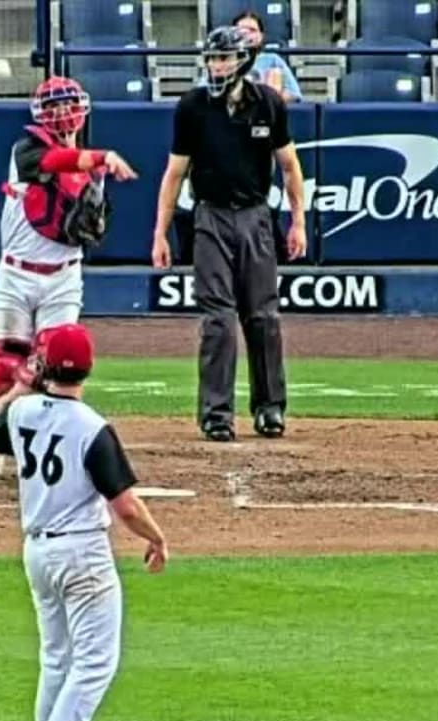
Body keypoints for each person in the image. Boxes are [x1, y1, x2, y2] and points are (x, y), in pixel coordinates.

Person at [0, 323, 168, 721]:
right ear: (89, 367)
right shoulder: (91, 426)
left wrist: (21, 384)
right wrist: (157, 538)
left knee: (57, 659)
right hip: (82, 554)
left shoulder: (22, 412)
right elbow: (125, 505)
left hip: (38, 552)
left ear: (44, 366)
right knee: (95, 662)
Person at [0, 76, 138, 477]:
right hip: (17, 273)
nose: (62, 113)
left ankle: (48, 441)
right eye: (53, 106)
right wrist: (101, 156)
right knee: (6, 363)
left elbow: (93, 224)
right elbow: (52, 163)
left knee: (56, 363)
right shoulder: (26, 149)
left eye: (68, 104)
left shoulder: (90, 169)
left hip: (63, 276)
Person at [152, 25, 307, 443]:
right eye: (212, 58)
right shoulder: (193, 106)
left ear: (243, 61)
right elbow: (174, 174)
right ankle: (216, 414)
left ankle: (270, 407)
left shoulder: (268, 103)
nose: (217, 66)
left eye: (224, 58)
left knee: (263, 316)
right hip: (210, 216)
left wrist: (297, 221)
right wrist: (160, 233)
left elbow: (290, 166)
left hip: (256, 215)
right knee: (217, 319)